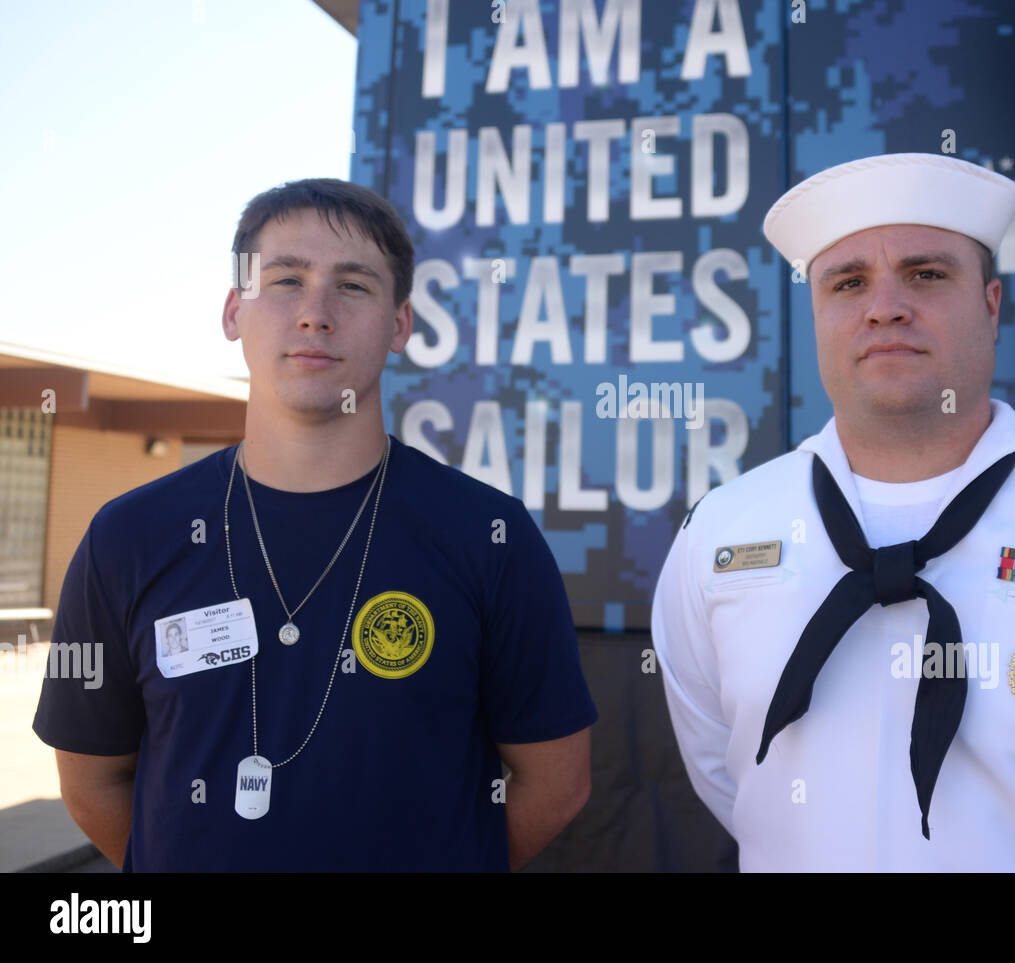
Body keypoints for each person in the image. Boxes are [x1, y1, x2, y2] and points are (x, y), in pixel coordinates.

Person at [651, 153, 1015, 872]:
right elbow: (729, 776)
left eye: (927, 274)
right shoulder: (719, 537)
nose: (885, 306)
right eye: (848, 282)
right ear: (815, 314)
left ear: (993, 305)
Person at [34, 178, 597, 871]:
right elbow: (90, 780)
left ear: (400, 325)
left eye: (353, 285)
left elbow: (557, 783)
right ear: (234, 310)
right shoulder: (128, 536)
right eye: (285, 280)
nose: (314, 313)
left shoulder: (490, 537)